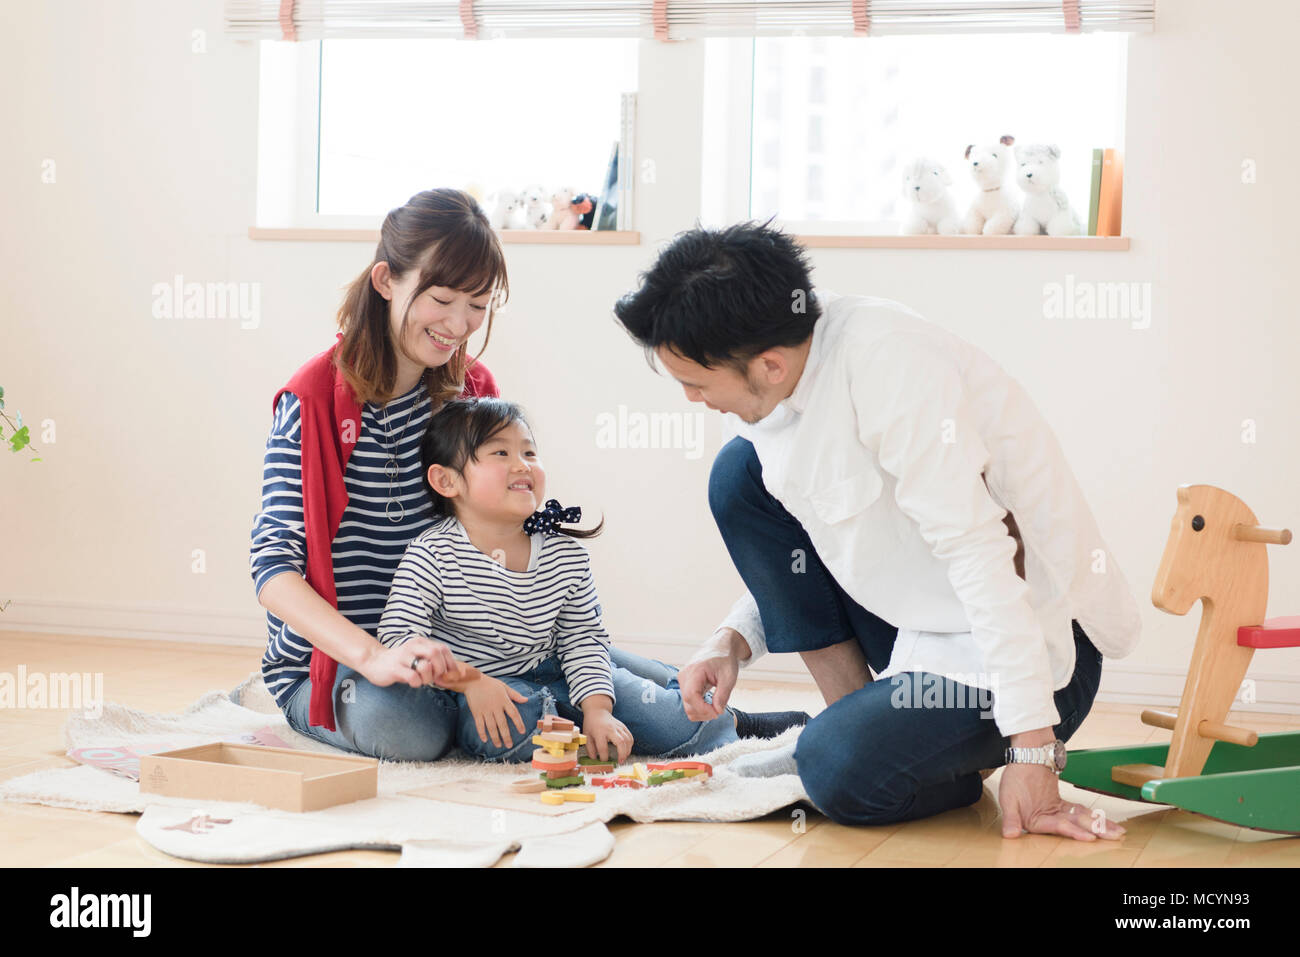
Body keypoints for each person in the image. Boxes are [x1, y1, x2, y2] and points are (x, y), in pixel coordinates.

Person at [610, 218, 1143, 841]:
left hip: (1029, 650)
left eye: (697, 385)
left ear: (770, 366)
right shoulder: (778, 365)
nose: (693, 401)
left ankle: (894, 745)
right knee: (739, 476)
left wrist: (1032, 750)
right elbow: (827, 537)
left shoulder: (892, 368)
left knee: (834, 767)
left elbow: (981, 557)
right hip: (913, 622)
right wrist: (733, 639)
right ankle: (867, 723)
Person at [376, 397, 810, 762]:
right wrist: (470, 682)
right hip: (487, 687)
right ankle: (570, 725)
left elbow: (581, 640)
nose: (522, 464)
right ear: (446, 480)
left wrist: (598, 710)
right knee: (499, 732)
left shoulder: (564, 554)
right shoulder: (431, 555)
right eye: (500, 453)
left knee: (680, 722)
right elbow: (399, 639)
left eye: (529, 452)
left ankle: (729, 718)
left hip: (562, 669)